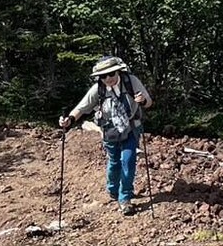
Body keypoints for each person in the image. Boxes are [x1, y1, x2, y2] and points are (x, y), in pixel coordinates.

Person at [58, 56, 153, 215]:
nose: (108, 78)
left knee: (128, 160)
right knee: (114, 162)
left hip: (131, 128)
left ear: (118, 72)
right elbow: (81, 108)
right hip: (110, 130)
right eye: (103, 76)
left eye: (111, 74)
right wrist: (69, 120)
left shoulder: (131, 81)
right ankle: (113, 189)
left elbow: (149, 102)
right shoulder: (98, 89)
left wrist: (142, 101)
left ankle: (125, 198)